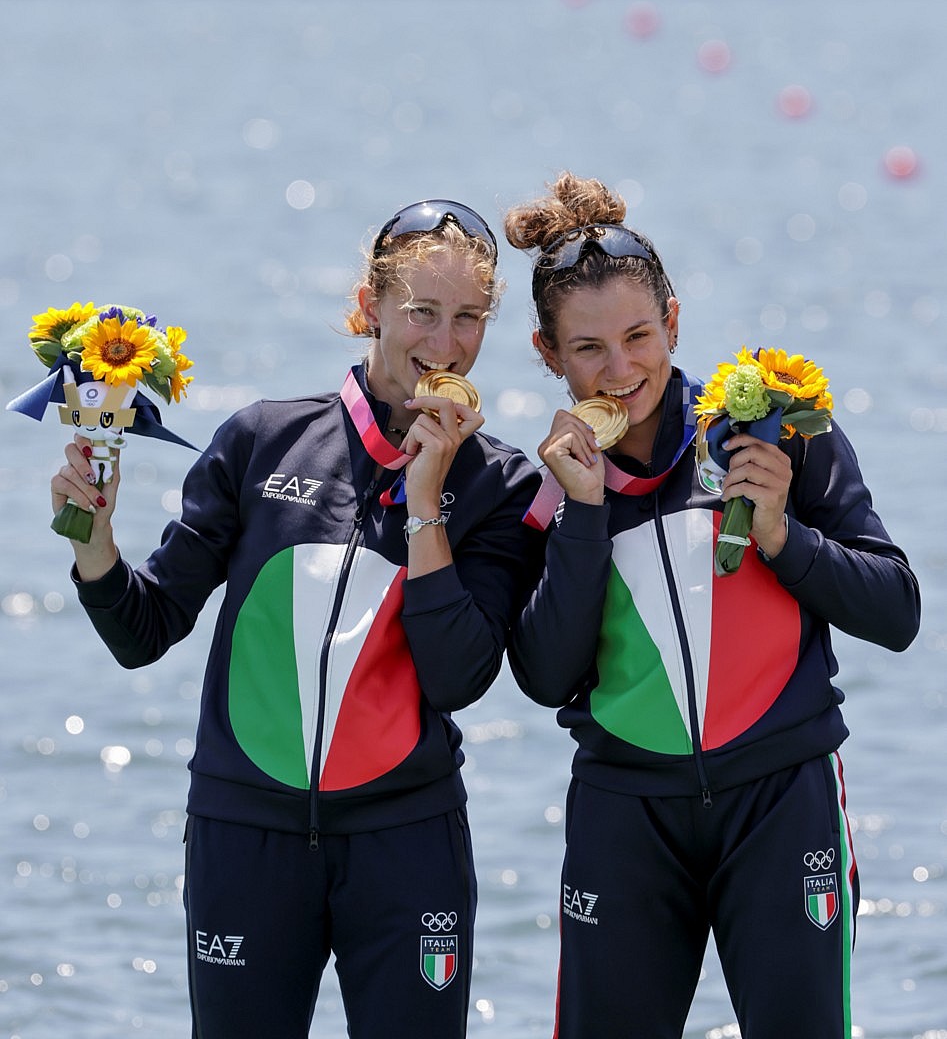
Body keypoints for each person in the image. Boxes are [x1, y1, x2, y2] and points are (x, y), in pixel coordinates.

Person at [50, 200, 542, 1039]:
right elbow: (145, 630)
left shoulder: (502, 486)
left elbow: (459, 677)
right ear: (369, 308)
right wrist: (94, 543)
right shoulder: (260, 441)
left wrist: (426, 499)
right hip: (246, 836)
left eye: (469, 319)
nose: (446, 342)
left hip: (407, 842)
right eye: (422, 312)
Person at [503, 171, 921, 1039]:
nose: (620, 371)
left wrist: (780, 534)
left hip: (780, 803)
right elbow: (544, 677)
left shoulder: (769, 429)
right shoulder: (548, 485)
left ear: (675, 322)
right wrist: (582, 513)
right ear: (547, 354)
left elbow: (896, 610)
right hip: (625, 817)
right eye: (586, 350)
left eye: (638, 336)